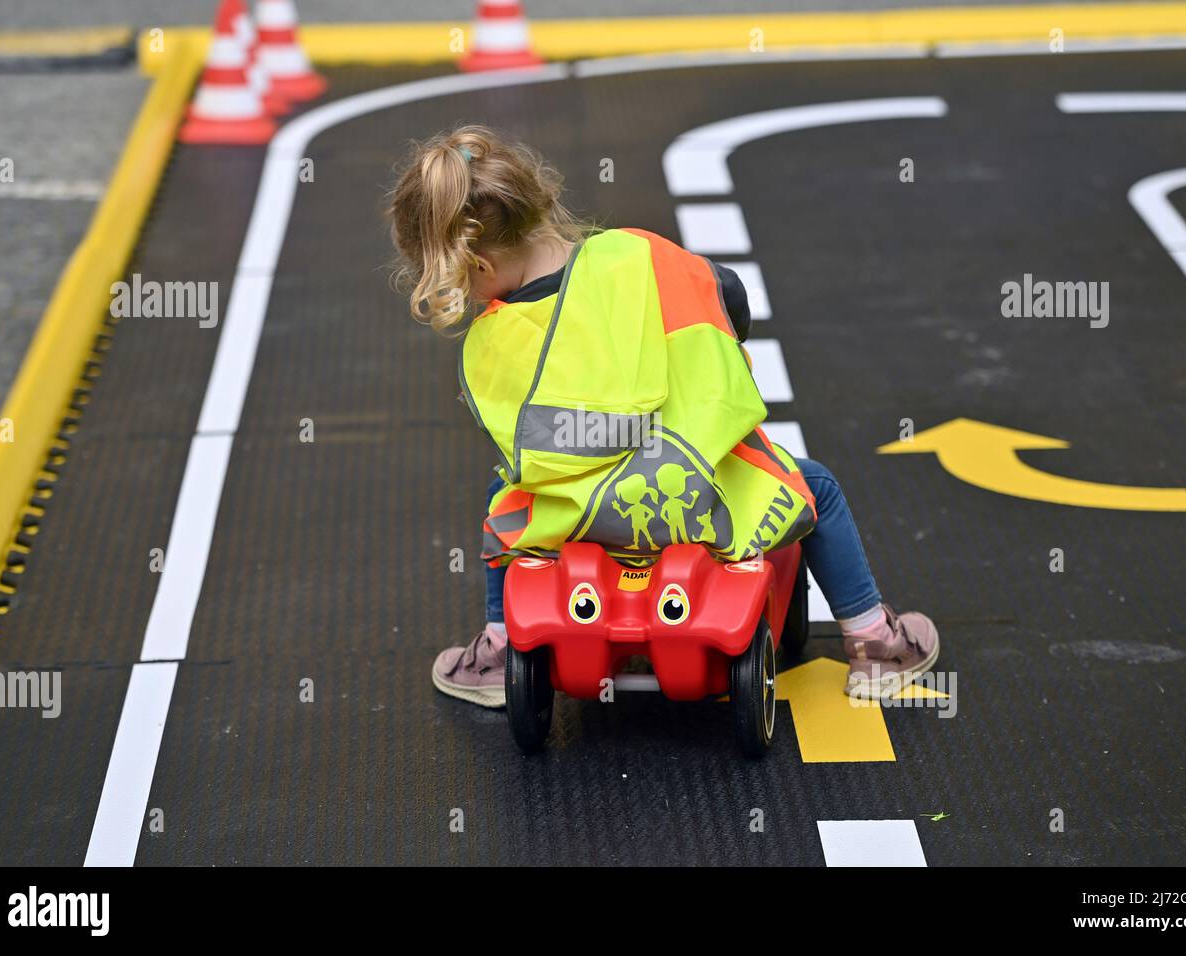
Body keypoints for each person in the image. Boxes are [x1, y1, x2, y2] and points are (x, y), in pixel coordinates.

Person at [385, 125, 938, 708]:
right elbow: (727, 299)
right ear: (537, 198)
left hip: (569, 523)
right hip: (694, 504)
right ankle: (875, 645)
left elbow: (516, 444)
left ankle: (500, 650)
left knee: (504, 499)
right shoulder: (638, 256)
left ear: (473, 262)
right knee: (818, 488)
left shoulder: (490, 341)